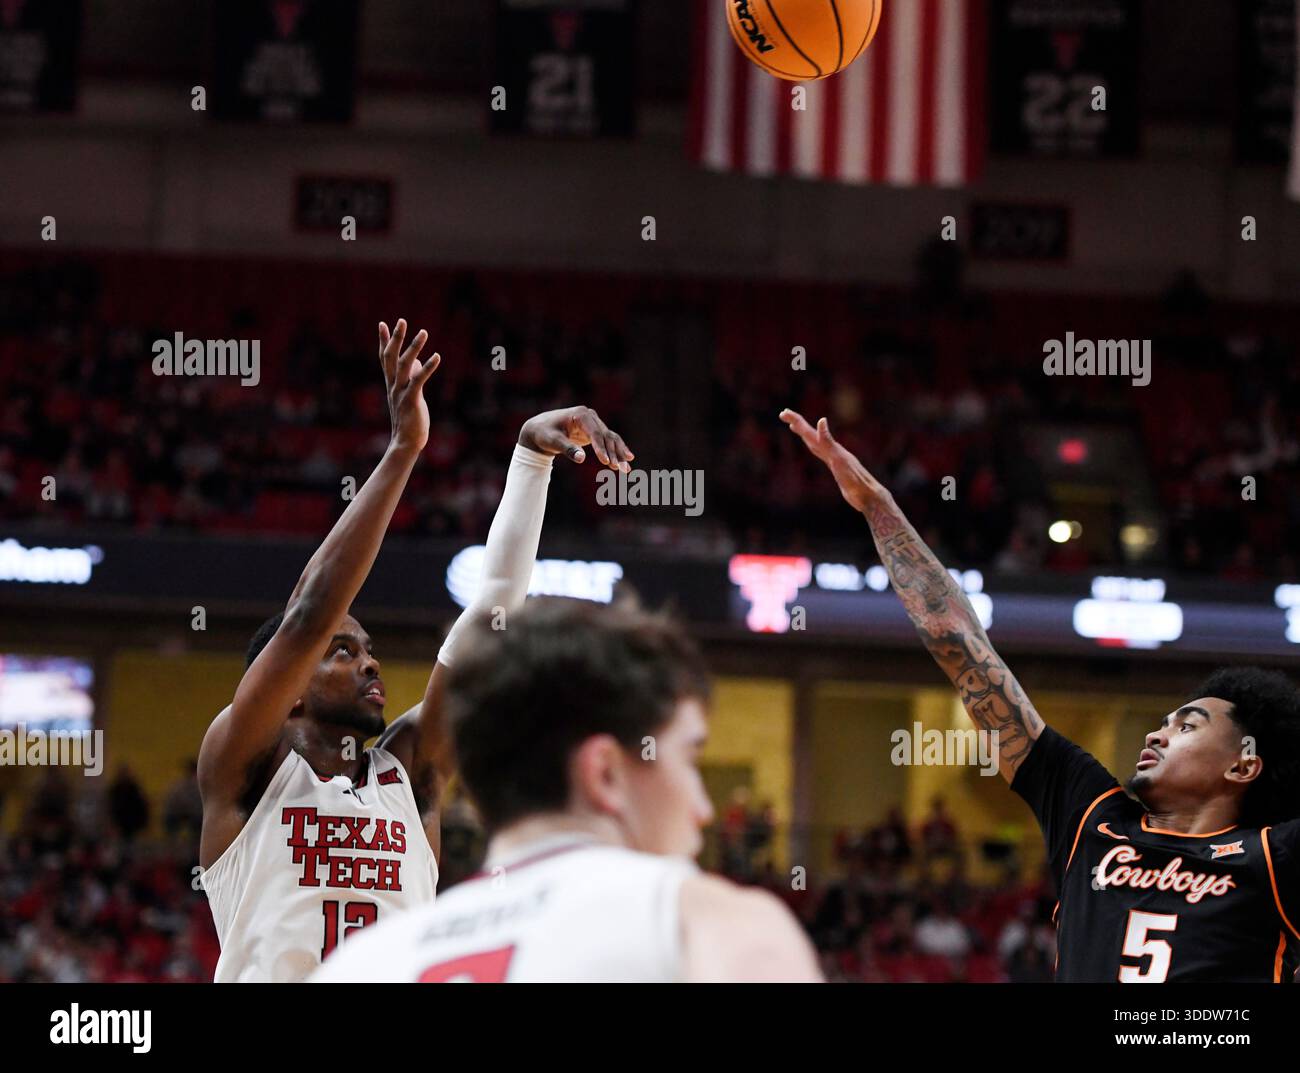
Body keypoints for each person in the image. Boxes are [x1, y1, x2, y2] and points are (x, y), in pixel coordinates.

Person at [781, 407, 1300, 982]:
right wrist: (879, 507)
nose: (1157, 732)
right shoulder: (1093, 817)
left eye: (1188, 726)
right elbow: (960, 642)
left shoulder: (1275, 858)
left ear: (1245, 763)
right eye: (1165, 720)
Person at [199, 319, 633, 982]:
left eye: (367, 649)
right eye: (341, 652)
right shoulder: (246, 769)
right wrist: (404, 447)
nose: (369, 663)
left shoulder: (412, 773)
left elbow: (490, 613)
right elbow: (308, 613)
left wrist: (529, 461)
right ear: (284, 690)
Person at [311, 598, 822, 982]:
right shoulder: (707, 924)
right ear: (603, 772)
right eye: (688, 759)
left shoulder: (361, 966)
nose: (703, 809)